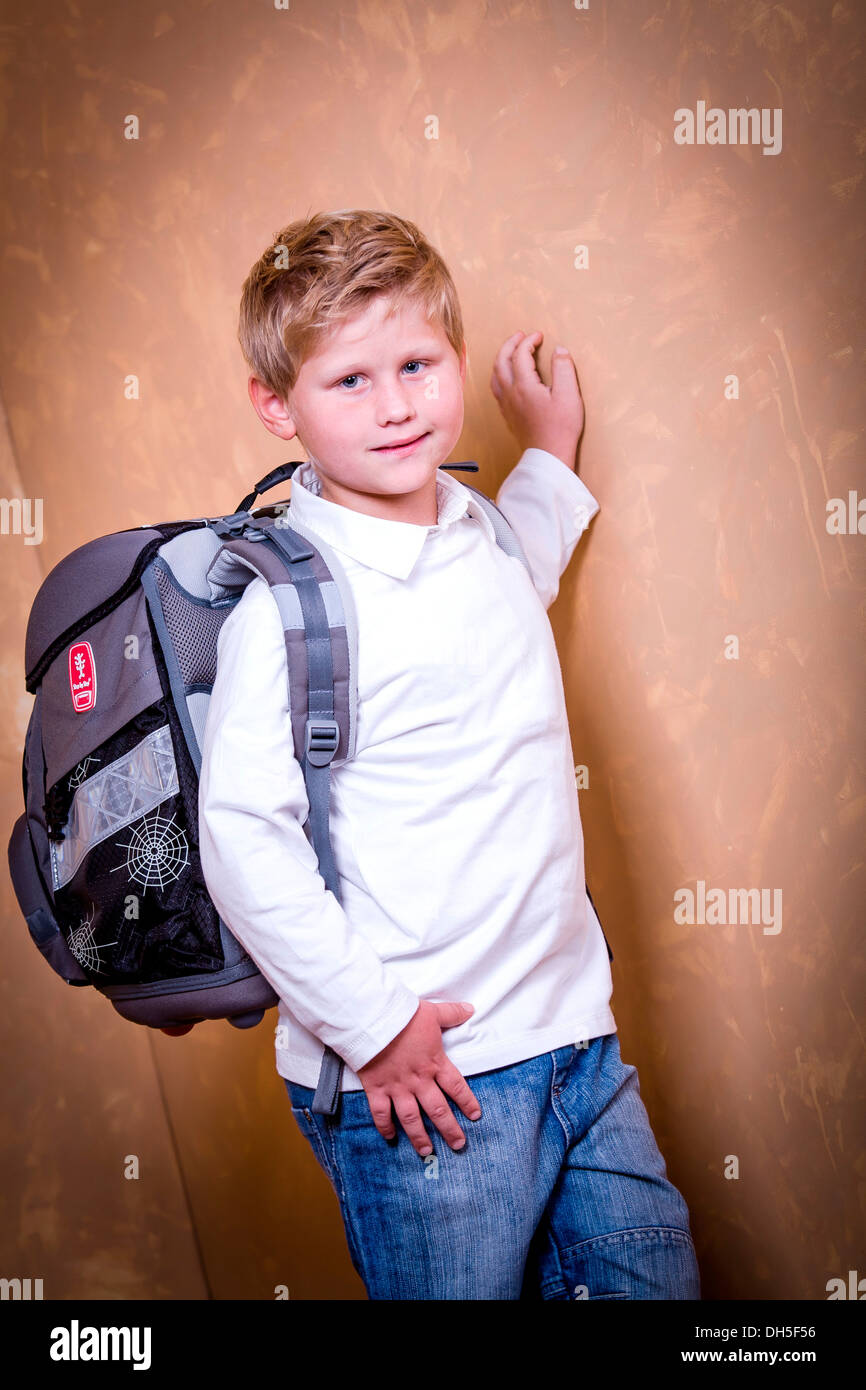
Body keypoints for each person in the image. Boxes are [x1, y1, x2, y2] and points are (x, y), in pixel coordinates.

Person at [198, 209, 701, 1300]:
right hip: (426, 1083)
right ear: (274, 403)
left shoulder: (472, 528)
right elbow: (240, 838)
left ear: (455, 364)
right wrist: (375, 1031)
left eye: (418, 364)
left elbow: (516, 574)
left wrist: (551, 452)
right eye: (350, 381)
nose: (395, 406)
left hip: (576, 1035)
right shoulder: (289, 608)